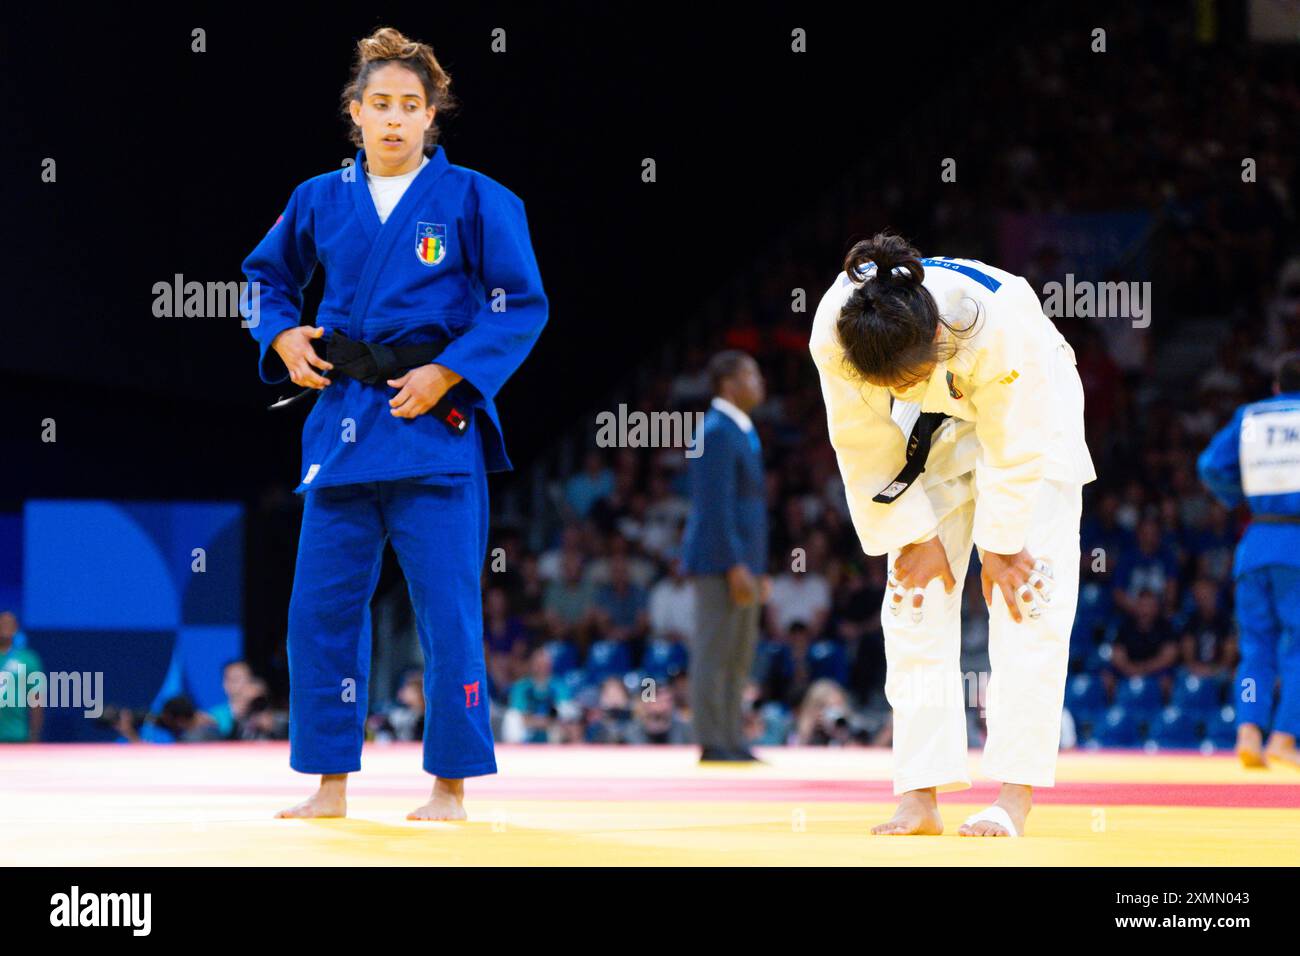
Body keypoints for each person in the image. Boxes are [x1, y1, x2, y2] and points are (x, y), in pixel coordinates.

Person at [241, 27, 547, 820]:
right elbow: (265, 279)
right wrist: (281, 333)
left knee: (447, 614)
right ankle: (328, 782)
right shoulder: (318, 197)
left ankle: (450, 785)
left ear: (432, 115)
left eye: (411, 105)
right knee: (319, 615)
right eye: (380, 103)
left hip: (433, 427)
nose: (395, 118)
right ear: (355, 110)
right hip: (344, 425)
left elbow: (520, 305)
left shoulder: (477, 199)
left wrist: (450, 370)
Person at [810, 233, 1096, 837]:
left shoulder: (997, 319)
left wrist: (1001, 547)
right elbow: (859, 442)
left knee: (1027, 595)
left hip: (1030, 407)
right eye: (893, 384)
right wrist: (913, 535)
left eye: (912, 376)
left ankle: (1013, 796)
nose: (904, 388)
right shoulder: (836, 332)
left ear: (938, 336)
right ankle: (920, 794)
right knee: (911, 600)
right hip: (929, 424)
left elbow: (1015, 443)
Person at [1197, 350, 1300, 768]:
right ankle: (1284, 737)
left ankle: (1248, 732)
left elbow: (1209, 465)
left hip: (1256, 542)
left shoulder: (1251, 417)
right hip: (1296, 543)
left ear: (1276, 386)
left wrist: (1239, 496)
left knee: (1255, 646)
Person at [680, 351, 771, 763]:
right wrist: (735, 564)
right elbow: (715, 506)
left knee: (738, 653)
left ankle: (732, 737)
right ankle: (711, 739)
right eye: (751, 374)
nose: (759, 382)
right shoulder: (715, 430)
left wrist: (758, 567)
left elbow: (747, 508)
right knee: (714, 650)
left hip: (743, 562)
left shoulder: (739, 428)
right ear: (728, 384)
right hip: (721, 562)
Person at [0, 612, 44, 743]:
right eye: (2, 624)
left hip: (18, 735)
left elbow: (37, 700)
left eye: (8, 624)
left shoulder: (29, 659)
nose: (4, 627)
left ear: (15, 628)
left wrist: (34, 736)